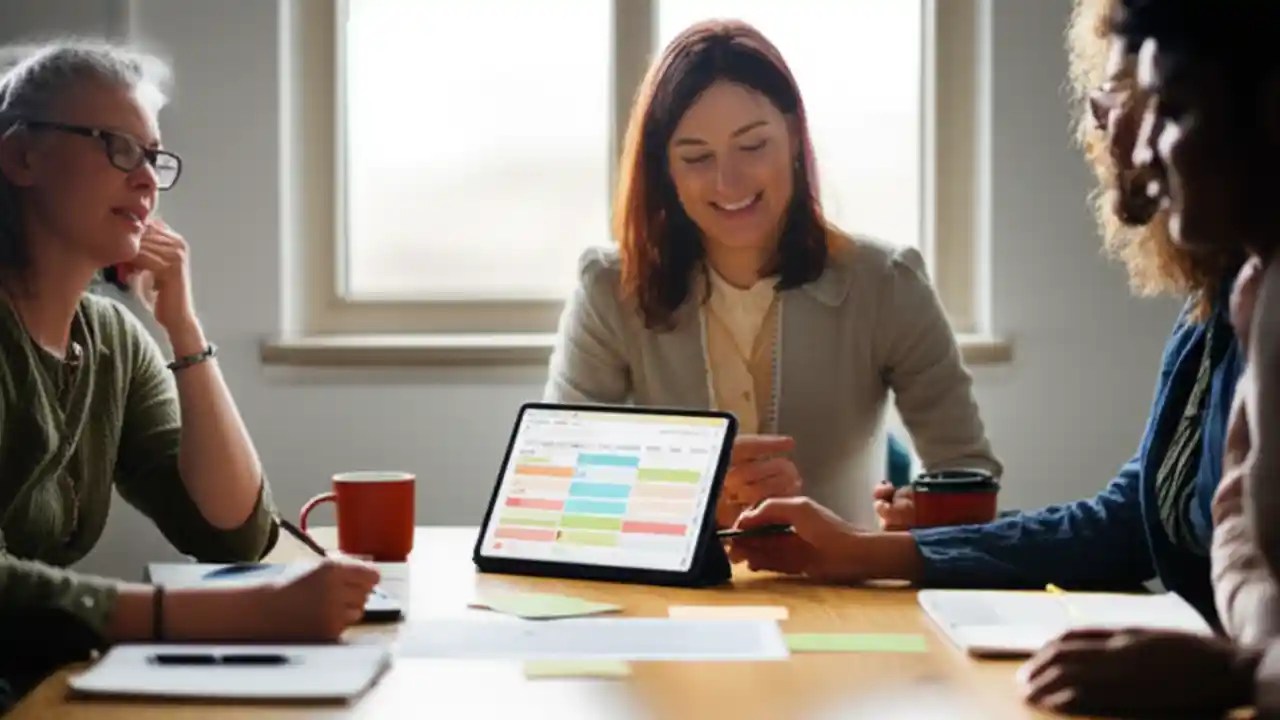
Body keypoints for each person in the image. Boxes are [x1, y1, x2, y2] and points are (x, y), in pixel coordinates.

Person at [728, 0, 1247, 627]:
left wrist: (1220, 670)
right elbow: (1126, 524)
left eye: (1159, 104)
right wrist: (870, 551)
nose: (1123, 143)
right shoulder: (1213, 308)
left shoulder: (1255, 306)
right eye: (1106, 107)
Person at [0, 39, 378, 693]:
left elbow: (232, 535)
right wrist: (233, 613)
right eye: (115, 147)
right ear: (22, 156)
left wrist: (184, 329)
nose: (146, 179)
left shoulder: (112, 338)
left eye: (153, 157)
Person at [544, 19, 1000, 530]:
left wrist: (918, 527)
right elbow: (556, 489)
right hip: (672, 601)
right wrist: (694, 499)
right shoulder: (608, 289)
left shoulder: (888, 284)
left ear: (794, 139)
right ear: (663, 171)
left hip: (844, 598)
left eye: (753, 146)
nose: (728, 180)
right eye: (696, 157)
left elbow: (968, 473)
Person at [1020, 1, 1280, 715]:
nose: (1137, 156)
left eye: (1176, 110)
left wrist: (1239, 673)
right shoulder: (1256, 290)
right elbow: (1238, 528)